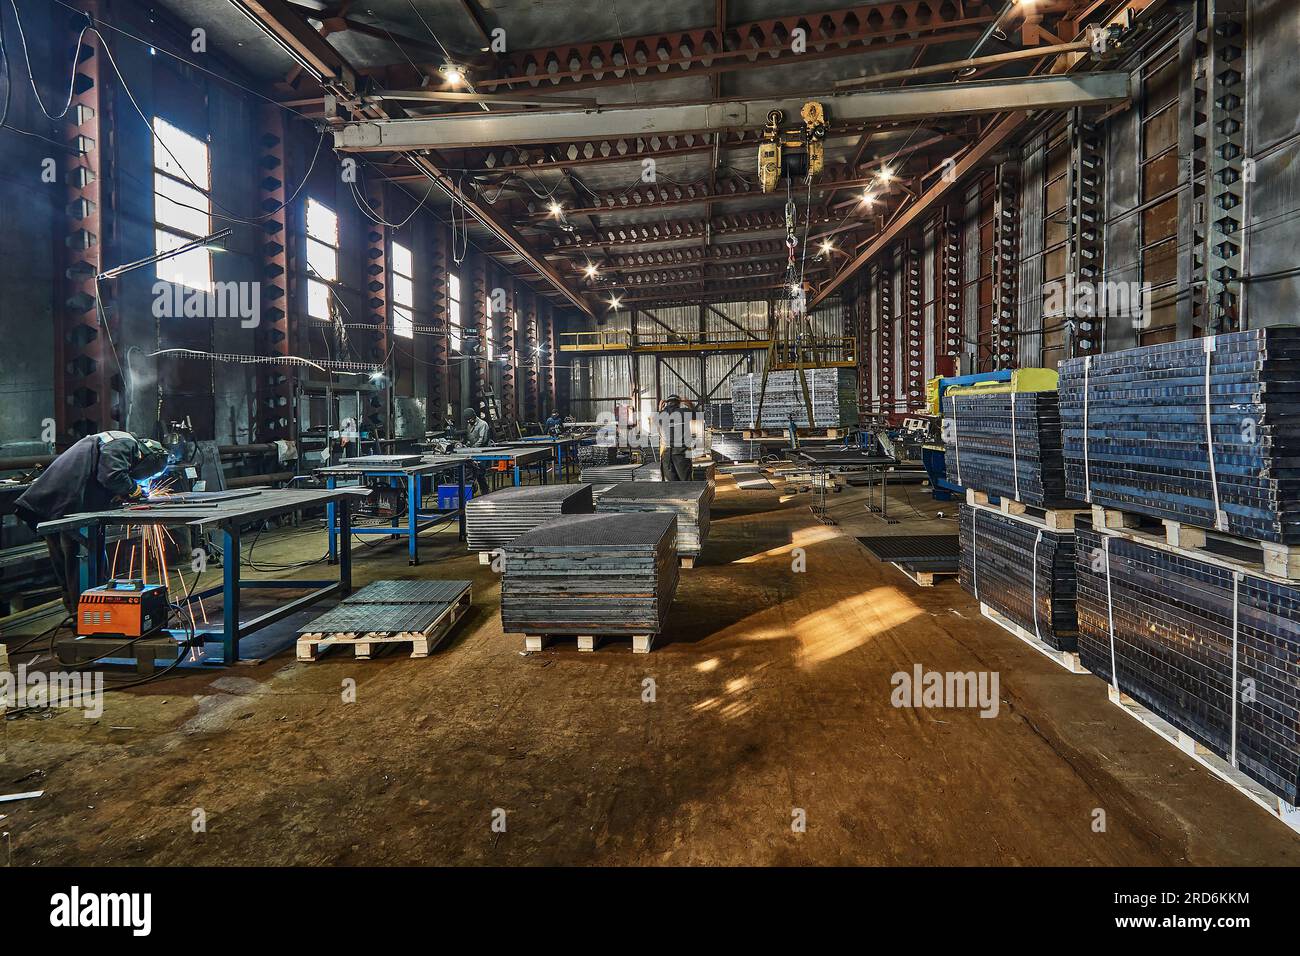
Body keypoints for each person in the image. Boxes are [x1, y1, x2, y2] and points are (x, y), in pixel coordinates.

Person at [14, 431, 169, 612]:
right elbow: (112, 476)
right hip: (68, 505)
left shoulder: (118, 441)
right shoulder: (125, 443)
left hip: (57, 504)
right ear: (149, 460)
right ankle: (91, 612)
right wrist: (134, 490)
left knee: (67, 564)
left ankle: (78, 614)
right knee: (83, 560)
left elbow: (103, 475)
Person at [657, 394, 696, 481]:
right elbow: (696, 414)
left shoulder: (662, 414)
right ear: (679, 403)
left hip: (666, 454)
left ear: (667, 403)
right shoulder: (685, 412)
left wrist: (660, 407)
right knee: (685, 481)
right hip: (681, 453)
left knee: (671, 484)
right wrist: (689, 403)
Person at [462, 408, 492, 497]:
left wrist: (472, 448)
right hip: (474, 451)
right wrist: (466, 445)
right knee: (469, 472)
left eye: (470, 419)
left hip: (483, 452)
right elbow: (470, 438)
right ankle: (469, 492)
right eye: (467, 420)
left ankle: (485, 492)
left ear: (474, 416)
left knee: (480, 472)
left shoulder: (483, 424)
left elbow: (482, 440)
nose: (468, 421)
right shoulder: (469, 425)